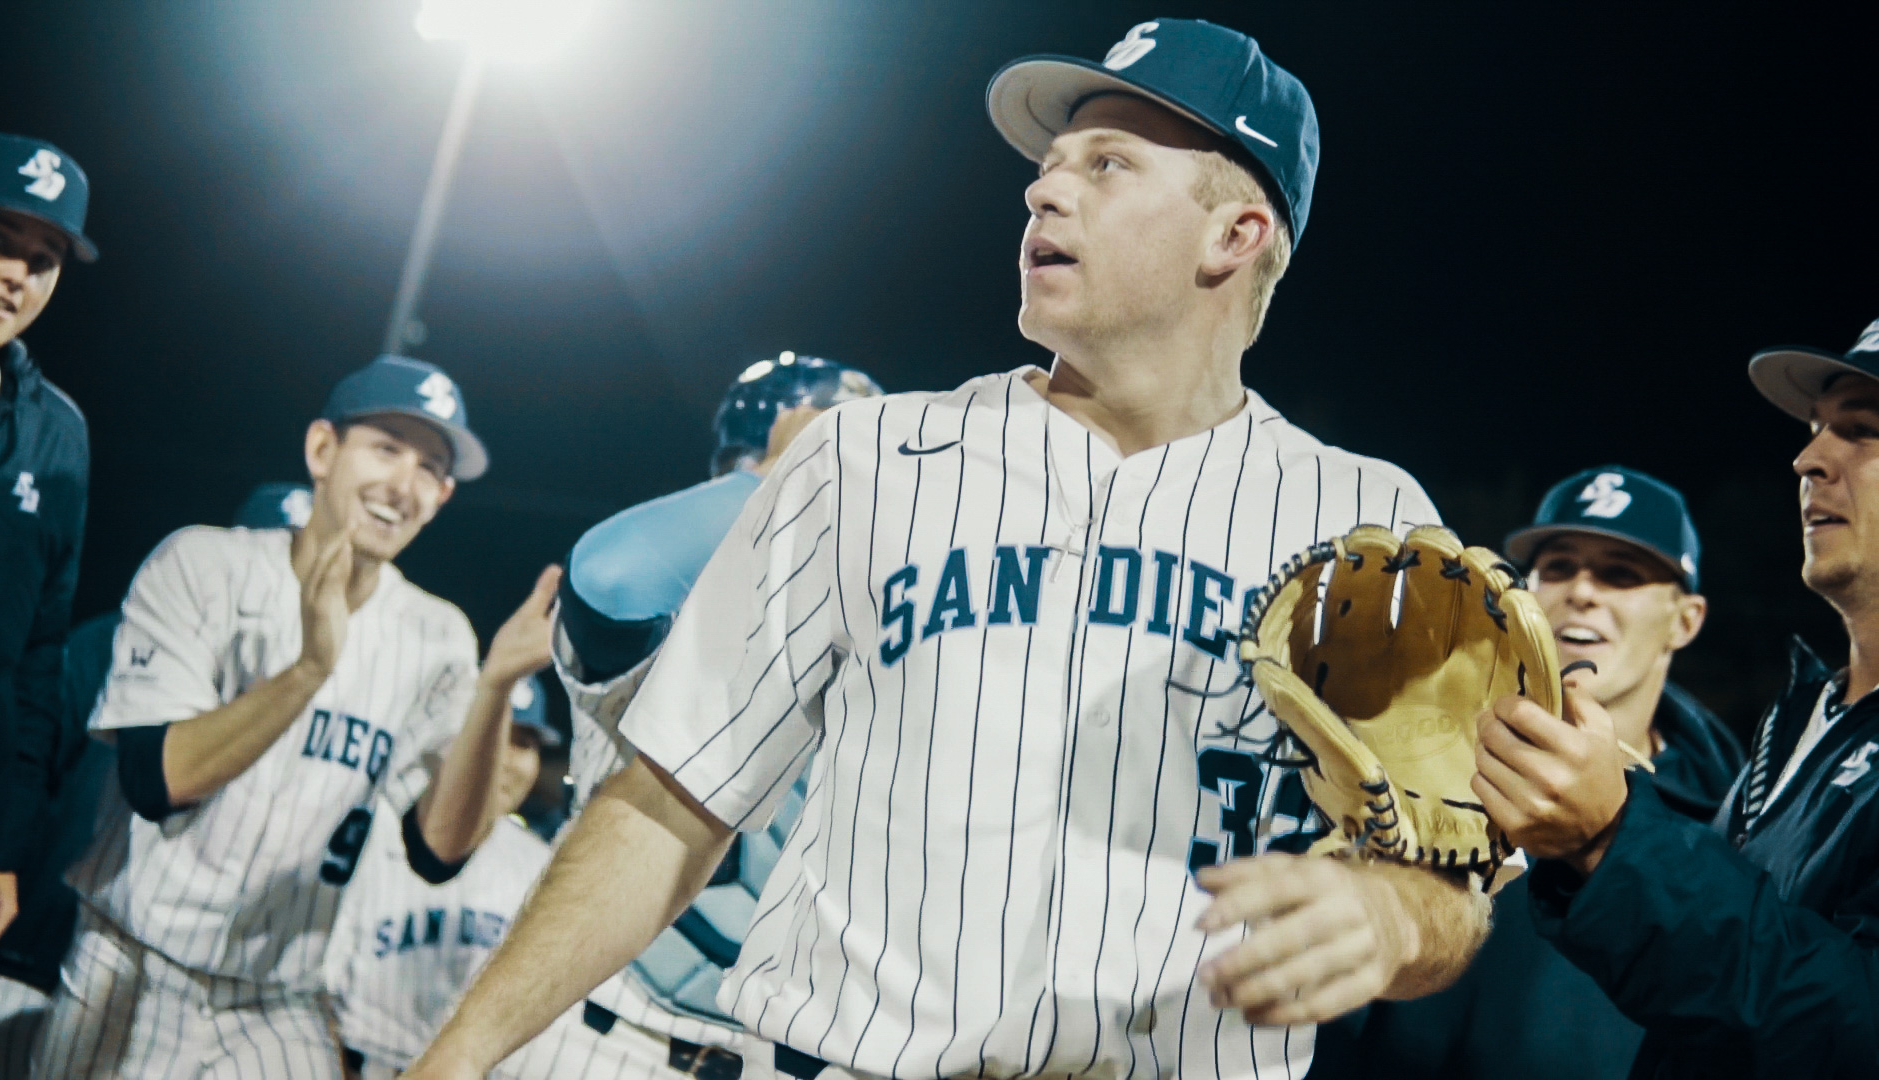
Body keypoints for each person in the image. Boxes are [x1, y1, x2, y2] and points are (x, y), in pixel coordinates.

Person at [409, 19, 1491, 1080]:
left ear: (1234, 235)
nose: (1044, 190)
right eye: (1049, 165)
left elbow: (1455, 878)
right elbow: (670, 799)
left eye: (1106, 164)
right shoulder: (867, 456)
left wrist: (1391, 913)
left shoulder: (1369, 524)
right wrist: (455, 1059)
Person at [33, 355, 559, 1079]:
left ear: (441, 496)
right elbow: (157, 780)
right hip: (134, 958)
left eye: (430, 468)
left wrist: (496, 688)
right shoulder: (203, 565)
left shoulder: (438, 636)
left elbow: (439, 850)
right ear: (322, 450)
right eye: (386, 448)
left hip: (281, 1000)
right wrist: (309, 671)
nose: (403, 485)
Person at [1470, 317, 1879, 1077]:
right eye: (1819, 428)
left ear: (1686, 620)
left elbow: (1855, 1028)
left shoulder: (1694, 786)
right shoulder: (1795, 725)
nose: (1808, 456)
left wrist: (1613, 838)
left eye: (1862, 428)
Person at [1310, 466, 1741, 1080]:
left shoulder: (1731, 822)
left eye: (1621, 574)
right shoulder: (1415, 756)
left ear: (1686, 619)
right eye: (1559, 567)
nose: (1582, 591)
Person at [521, 353, 881, 1080]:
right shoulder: (676, 587)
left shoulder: (879, 631)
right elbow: (613, 579)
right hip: (609, 1034)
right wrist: (789, 478)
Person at [0, 483, 312, 1079]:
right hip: (39, 950)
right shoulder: (116, 636)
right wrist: (0, 863)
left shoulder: (313, 683)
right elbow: (28, 763)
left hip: (168, 988)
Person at [0, 132, 96, 996]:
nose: (19, 274)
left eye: (43, 259)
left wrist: (3, 846)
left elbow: (37, 658)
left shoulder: (56, 435)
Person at [324, 675, 568, 1080]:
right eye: (495, 735)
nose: (505, 759)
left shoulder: (542, 865)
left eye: (523, 743)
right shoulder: (374, 837)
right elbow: (317, 995)